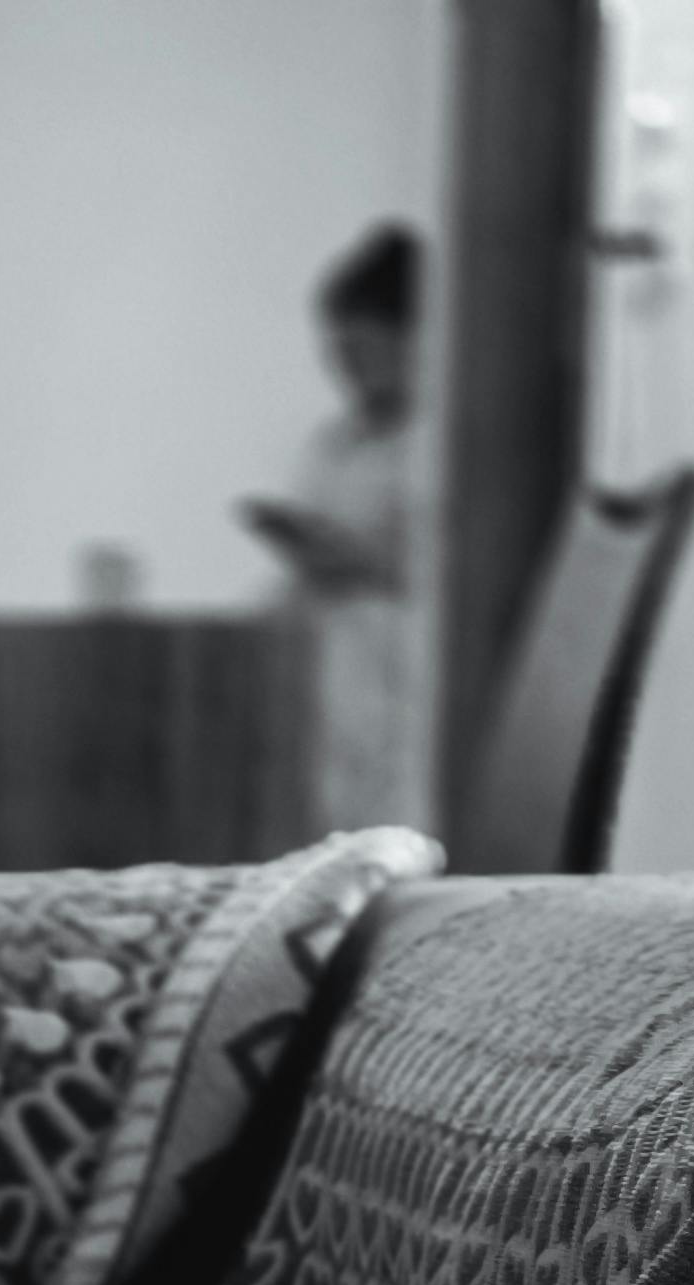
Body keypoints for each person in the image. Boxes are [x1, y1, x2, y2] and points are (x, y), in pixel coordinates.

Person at [241, 222, 429, 832]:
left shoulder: (440, 446)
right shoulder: (334, 444)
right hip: (321, 660)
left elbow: (457, 577)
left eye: (364, 347)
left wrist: (371, 563)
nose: (348, 367)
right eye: (339, 350)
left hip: (395, 666)